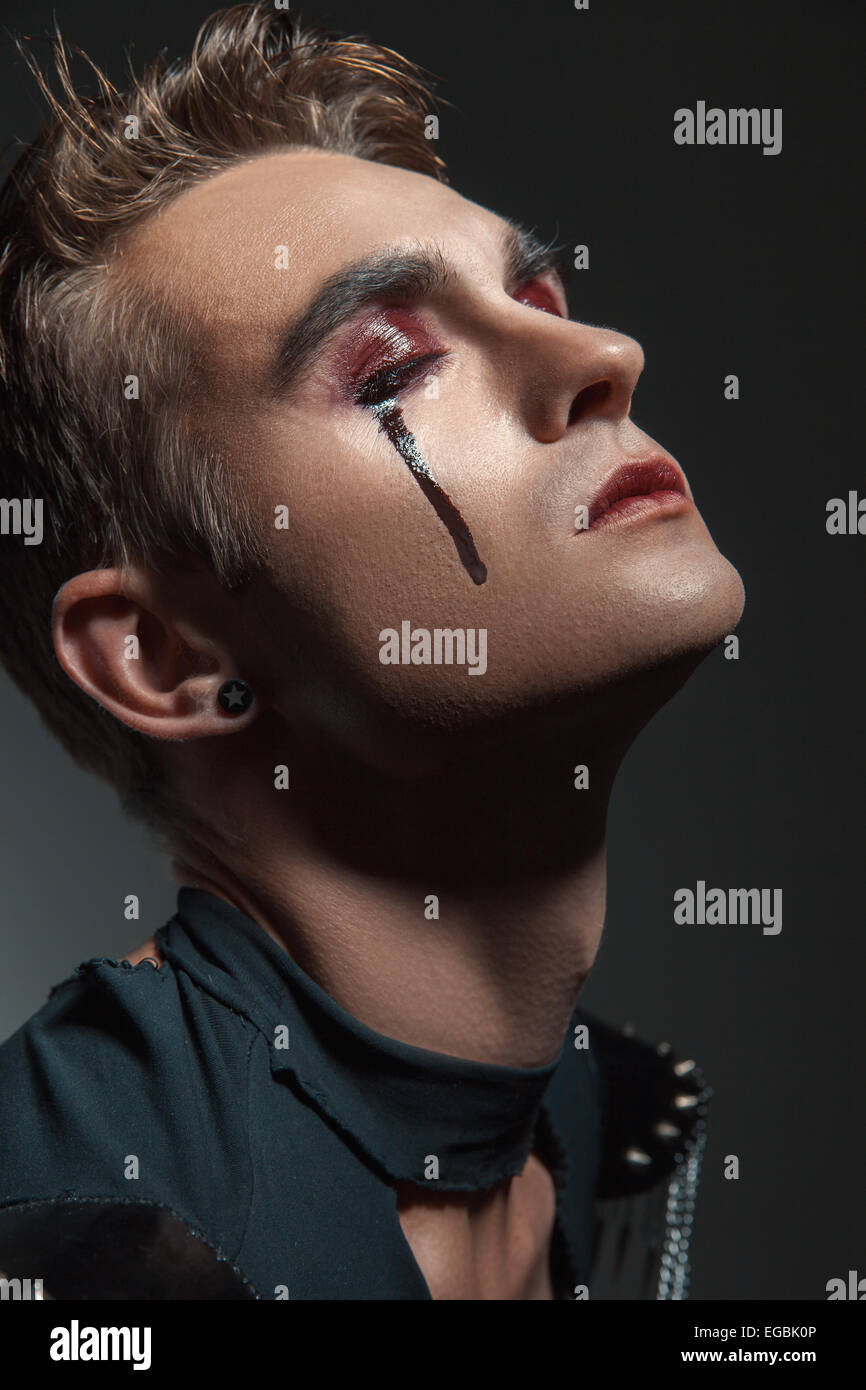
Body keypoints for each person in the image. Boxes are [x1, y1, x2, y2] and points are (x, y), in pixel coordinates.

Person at [0, 2, 743, 1299]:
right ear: (163, 654)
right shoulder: (88, 1239)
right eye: (393, 371)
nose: (603, 357)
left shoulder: (575, 1109)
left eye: (537, 296)